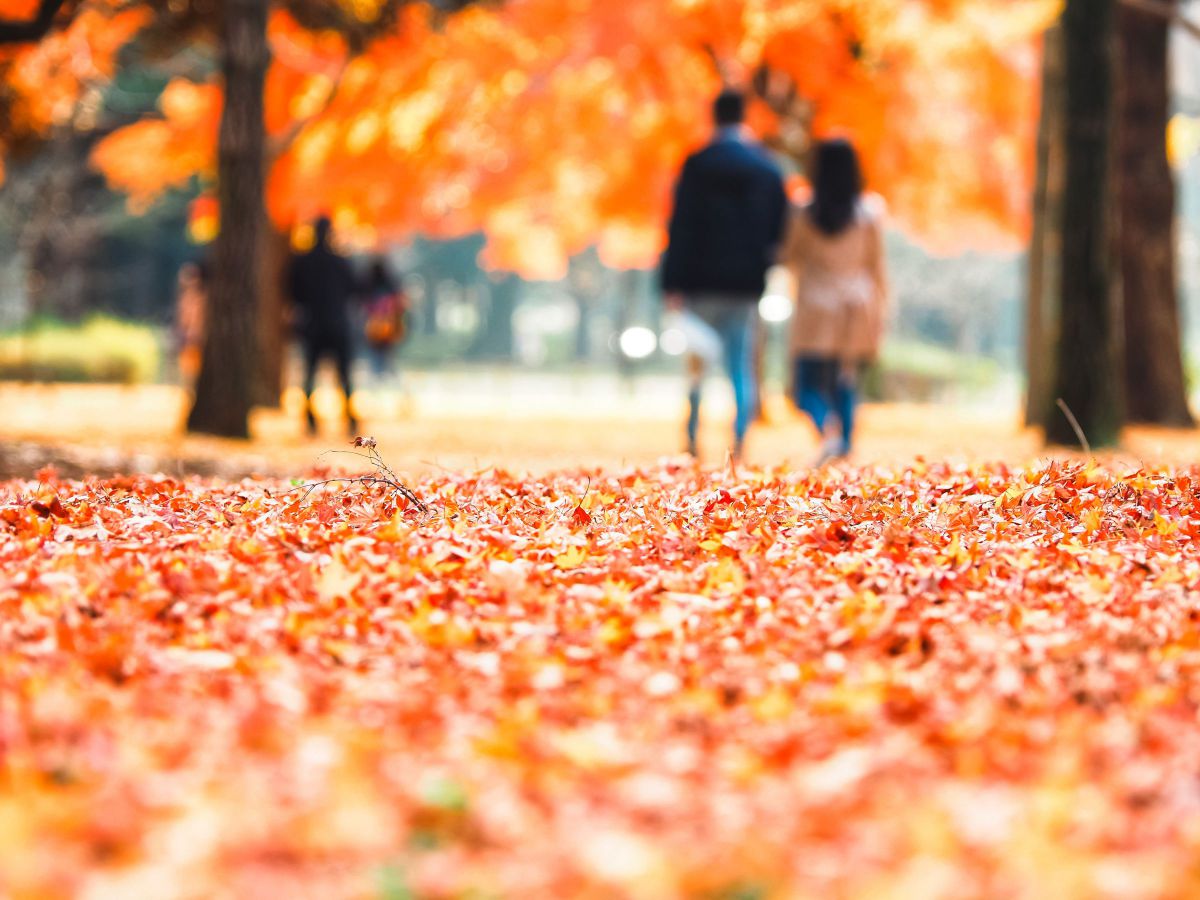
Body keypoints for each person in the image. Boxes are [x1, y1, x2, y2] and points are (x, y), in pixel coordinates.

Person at [661, 88, 788, 461]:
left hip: (700, 281)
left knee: (697, 363)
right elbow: (779, 228)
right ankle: (740, 439)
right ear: (743, 116)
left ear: (714, 116)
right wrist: (765, 265)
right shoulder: (766, 168)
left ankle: (692, 435)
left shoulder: (697, 164)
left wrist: (672, 282)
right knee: (739, 364)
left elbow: (680, 226)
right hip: (745, 284)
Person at [779, 138, 889, 464]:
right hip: (856, 304)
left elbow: (789, 255)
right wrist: (882, 307)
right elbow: (876, 265)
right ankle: (844, 446)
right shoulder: (869, 212)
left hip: (815, 305)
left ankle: (829, 432)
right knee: (845, 380)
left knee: (806, 387)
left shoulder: (803, 211)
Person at [288, 216, 360, 437]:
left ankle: (309, 418)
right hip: (337, 323)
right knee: (344, 374)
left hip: (312, 323)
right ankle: (350, 418)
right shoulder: (341, 262)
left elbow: (292, 292)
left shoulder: (302, 261)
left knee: (310, 373)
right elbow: (354, 289)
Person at [361, 257, 408, 383]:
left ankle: (377, 374)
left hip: (373, 325)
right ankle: (388, 373)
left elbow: (364, 305)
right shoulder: (391, 285)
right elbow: (400, 305)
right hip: (389, 325)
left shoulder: (368, 285)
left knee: (376, 351)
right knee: (387, 351)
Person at [173, 260, 207, 387]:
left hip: (195, 340)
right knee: (188, 373)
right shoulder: (185, 297)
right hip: (188, 341)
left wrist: (192, 333)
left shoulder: (200, 298)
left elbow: (194, 321)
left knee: (193, 374)